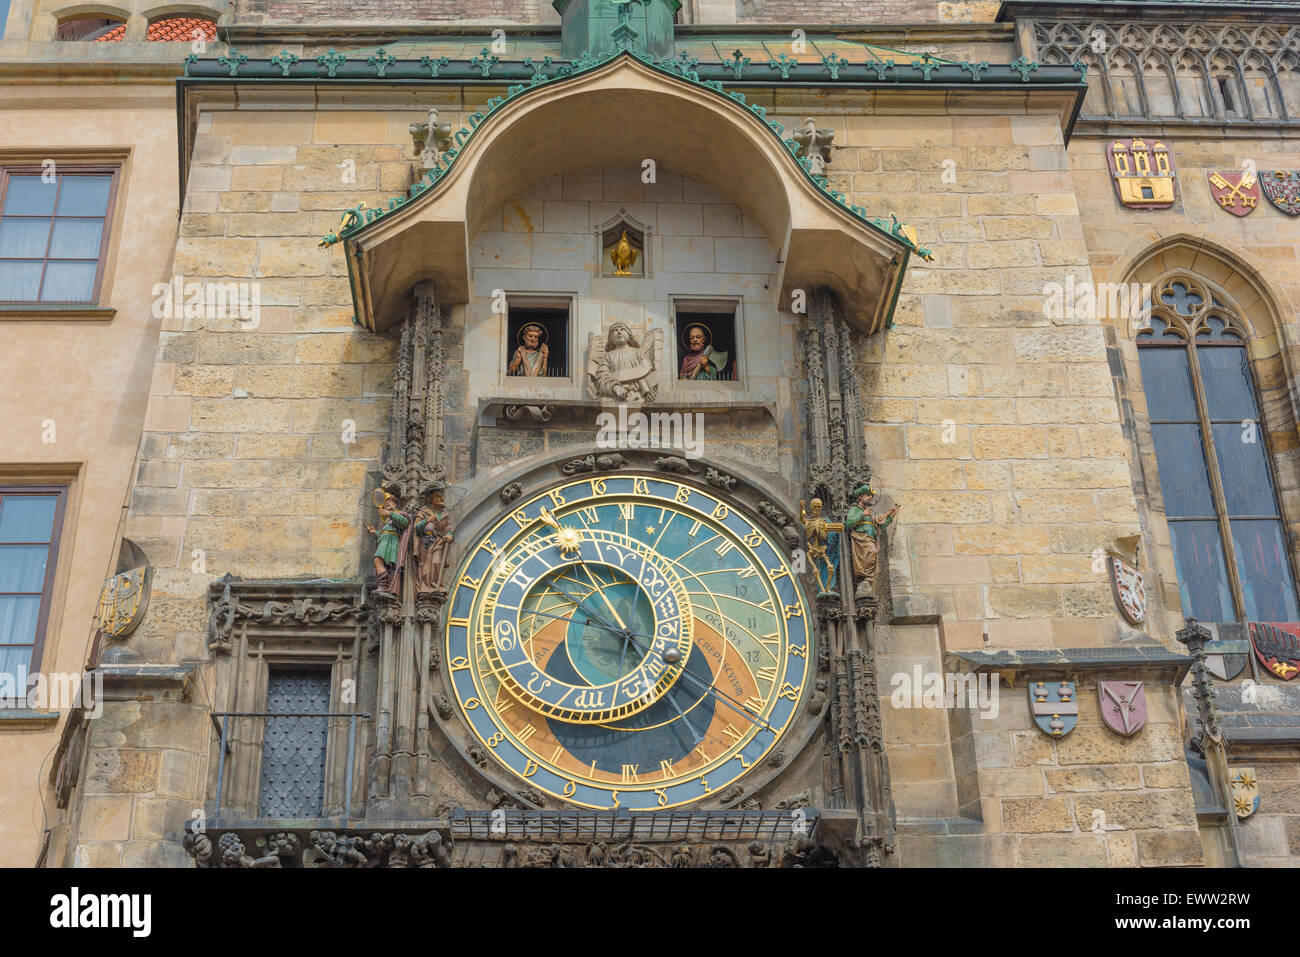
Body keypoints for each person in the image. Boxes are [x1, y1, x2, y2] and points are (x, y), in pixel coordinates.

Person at [845, 484, 900, 598]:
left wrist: (891, 516)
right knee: (872, 552)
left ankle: (867, 580)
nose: (870, 497)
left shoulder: (870, 513)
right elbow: (849, 523)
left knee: (873, 555)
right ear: (860, 497)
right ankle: (863, 580)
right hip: (860, 540)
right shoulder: (855, 510)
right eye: (867, 495)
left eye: (871, 496)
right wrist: (862, 514)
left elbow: (879, 525)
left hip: (870, 538)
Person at [366, 493, 410, 596]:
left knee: (378, 561)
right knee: (381, 563)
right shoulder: (387, 521)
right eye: (385, 504)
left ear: (395, 504)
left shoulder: (399, 514)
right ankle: (384, 586)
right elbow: (382, 536)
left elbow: (404, 522)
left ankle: (383, 586)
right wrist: (374, 532)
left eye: (389, 503)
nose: (386, 505)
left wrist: (389, 514)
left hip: (391, 543)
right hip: (384, 543)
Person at [414, 489, 453, 594]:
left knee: (436, 562)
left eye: (442, 496)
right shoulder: (424, 511)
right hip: (427, 542)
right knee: (425, 564)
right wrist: (427, 520)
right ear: (432, 499)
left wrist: (449, 535)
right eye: (438, 496)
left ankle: (435, 585)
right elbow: (416, 528)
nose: (442, 498)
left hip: (439, 542)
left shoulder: (444, 514)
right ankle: (425, 586)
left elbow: (448, 529)